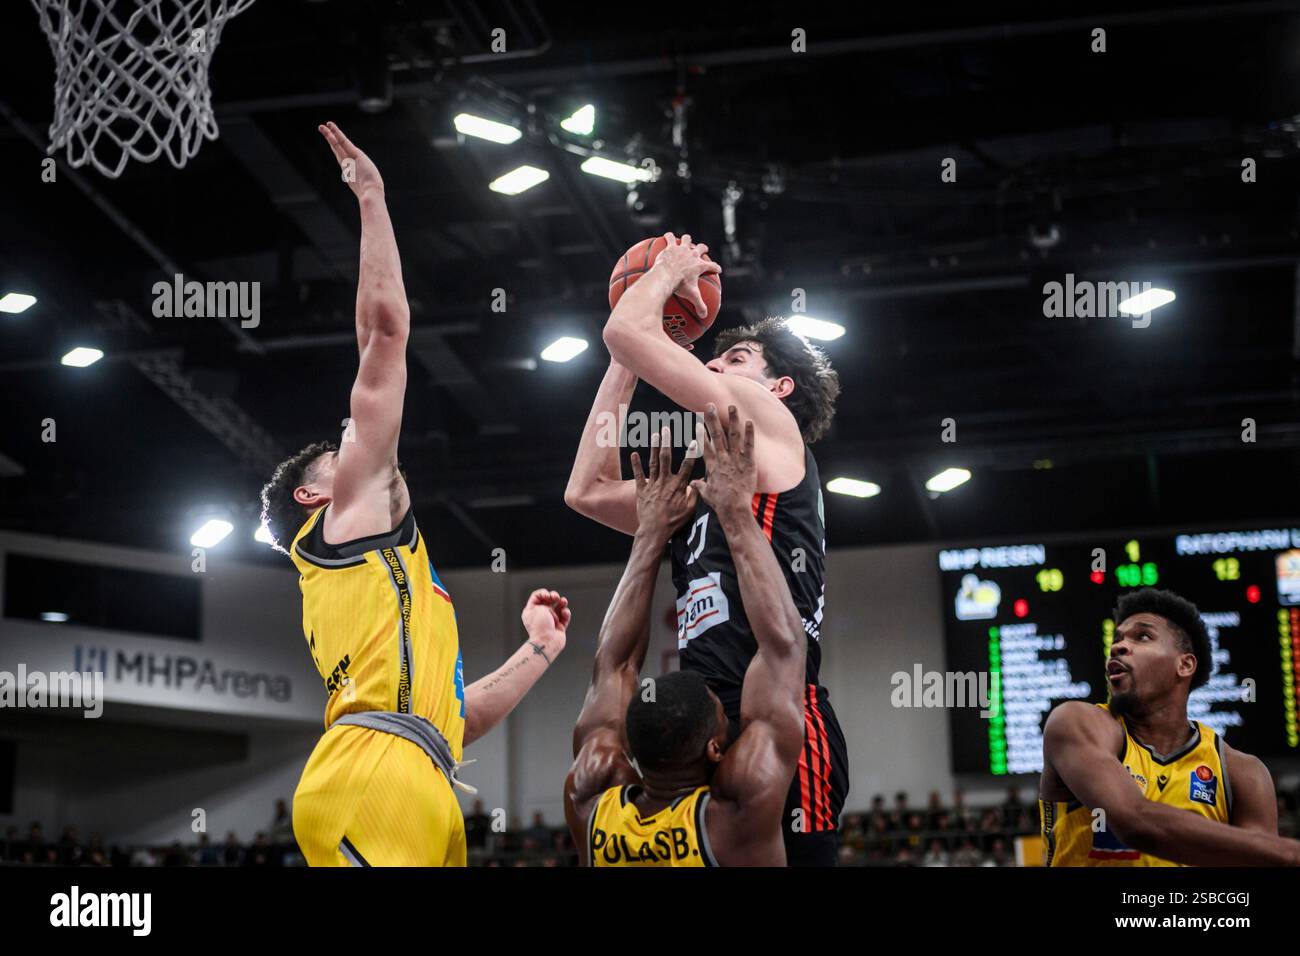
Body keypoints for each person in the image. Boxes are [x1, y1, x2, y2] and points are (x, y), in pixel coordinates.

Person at [258, 123, 570, 866]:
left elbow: (455, 722)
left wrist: (540, 651)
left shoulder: (391, 578)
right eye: (339, 453)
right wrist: (372, 197)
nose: (355, 444)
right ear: (313, 497)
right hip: (374, 775)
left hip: (419, 770)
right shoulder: (348, 520)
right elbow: (385, 332)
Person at [566, 234, 849, 864]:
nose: (714, 369)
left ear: (778, 387)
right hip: (700, 725)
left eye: (738, 358)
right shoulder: (703, 490)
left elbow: (623, 332)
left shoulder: (770, 426)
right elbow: (585, 491)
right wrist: (634, 357)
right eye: (712, 361)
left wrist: (665, 274)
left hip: (775, 709)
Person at [564, 406, 806, 866]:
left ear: (627, 750)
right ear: (718, 749)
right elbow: (785, 646)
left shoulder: (590, 797)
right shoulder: (735, 816)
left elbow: (613, 667)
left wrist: (650, 534)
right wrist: (736, 514)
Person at [1039, 587, 1300, 866]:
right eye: (1118, 639)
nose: (1118, 646)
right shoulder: (1077, 722)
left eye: (1143, 636)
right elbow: (1134, 821)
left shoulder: (1242, 773)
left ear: (1185, 665)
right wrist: (1290, 852)